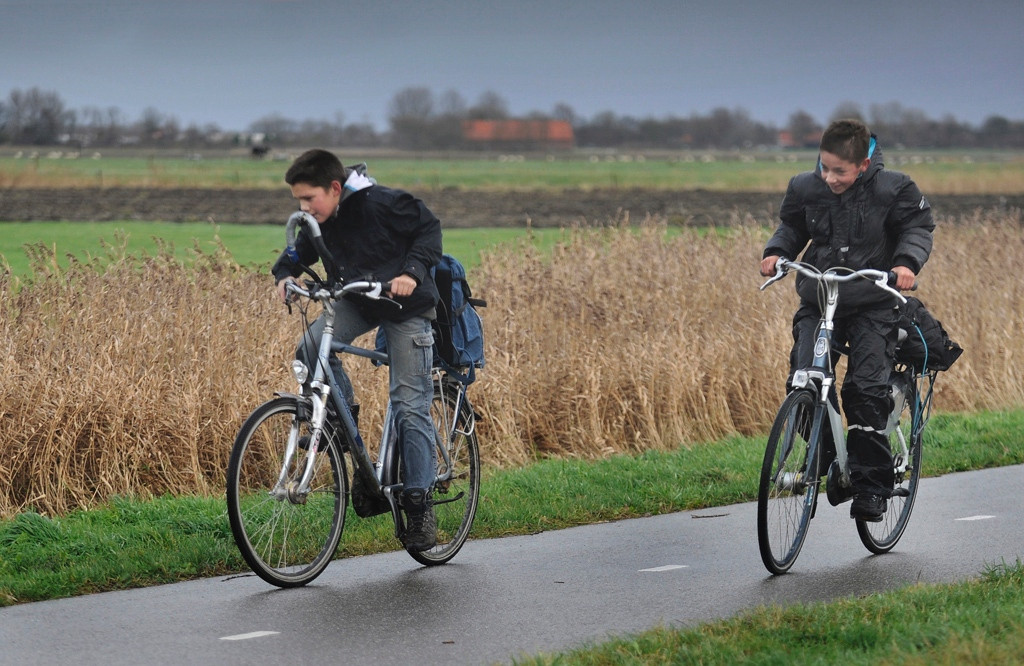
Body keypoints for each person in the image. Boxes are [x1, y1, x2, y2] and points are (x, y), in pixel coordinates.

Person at [760, 119, 934, 522]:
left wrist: (906, 263)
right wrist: (776, 251)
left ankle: (872, 487)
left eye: (839, 171)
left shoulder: (894, 188)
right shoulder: (805, 186)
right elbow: (792, 225)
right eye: (824, 167)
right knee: (804, 379)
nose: (829, 177)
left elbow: (917, 226)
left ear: (863, 163)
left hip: (872, 302)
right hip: (820, 298)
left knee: (864, 392)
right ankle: (824, 462)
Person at [271, 149, 443, 551]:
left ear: (334, 188)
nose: (304, 208)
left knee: (408, 403)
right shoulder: (322, 218)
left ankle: (419, 503)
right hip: (358, 299)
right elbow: (302, 250)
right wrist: (284, 273)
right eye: (298, 201)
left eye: (309, 199)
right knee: (309, 349)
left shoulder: (383, 203)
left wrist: (411, 273)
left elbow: (429, 230)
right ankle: (344, 421)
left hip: (406, 304)